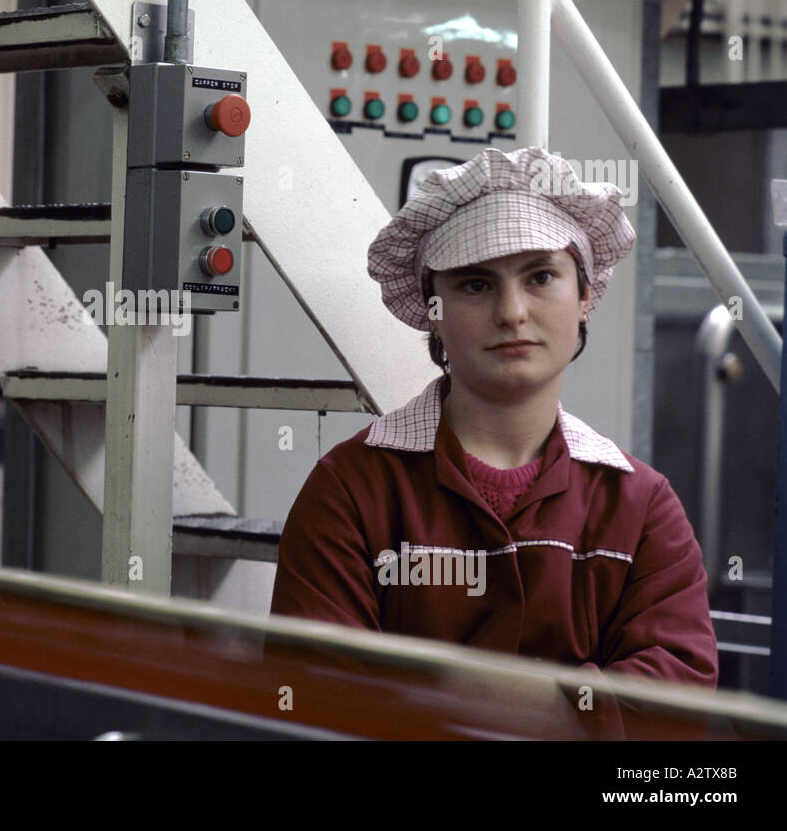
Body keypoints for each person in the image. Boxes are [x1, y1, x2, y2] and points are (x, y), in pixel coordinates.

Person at [269, 146, 718, 739]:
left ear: (585, 296)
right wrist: (572, 704)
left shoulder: (640, 506)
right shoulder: (351, 490)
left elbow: (676, 704)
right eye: (476, 284)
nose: (511, 312)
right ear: (434, 310)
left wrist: (447, 691)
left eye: (540, 276)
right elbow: (310, 695)